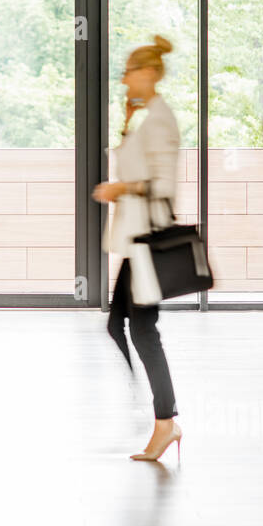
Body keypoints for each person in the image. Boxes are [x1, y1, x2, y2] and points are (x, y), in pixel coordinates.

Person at [94, 37, 183, 462]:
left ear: (148, 73)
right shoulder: (147, 118)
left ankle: (164, 420)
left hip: (149, 240)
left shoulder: (162, 120)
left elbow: (163, 186)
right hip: (137, 241)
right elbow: (135, 162)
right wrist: (127, 121)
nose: (124, 79)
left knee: (142, 331)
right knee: (118, 324)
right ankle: (154, 409)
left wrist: (120, 188)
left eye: (129, 72)